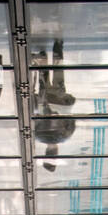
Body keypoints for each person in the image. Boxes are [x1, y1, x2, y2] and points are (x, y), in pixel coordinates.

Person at [31, 39, 76, 171]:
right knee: (43, 79)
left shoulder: (66, 136)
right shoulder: (38, 136)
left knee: (58, 72)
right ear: (45, 152)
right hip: (44, 100)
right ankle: (43, 57)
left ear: (56, 153)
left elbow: (72, 119)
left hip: (60, 101)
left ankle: (58, 46)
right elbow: (35, 118)